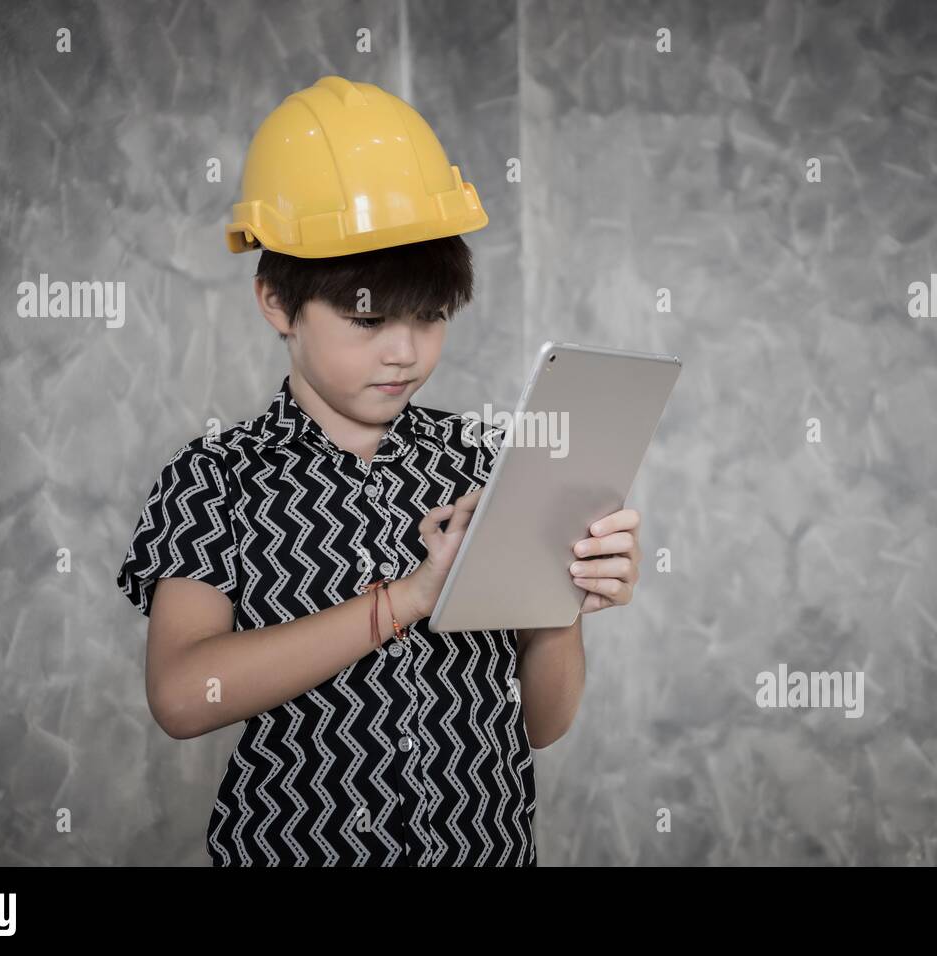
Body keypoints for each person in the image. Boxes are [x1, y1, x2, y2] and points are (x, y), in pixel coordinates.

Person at [114, 76, 642, 866]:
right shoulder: (215, 479)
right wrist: (408, 599)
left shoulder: (484, 459)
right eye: (368, 320)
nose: (405, 351)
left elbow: (540, 724)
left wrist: (559, 596)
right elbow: (185, 698)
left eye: (430, 317)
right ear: (276, 304)